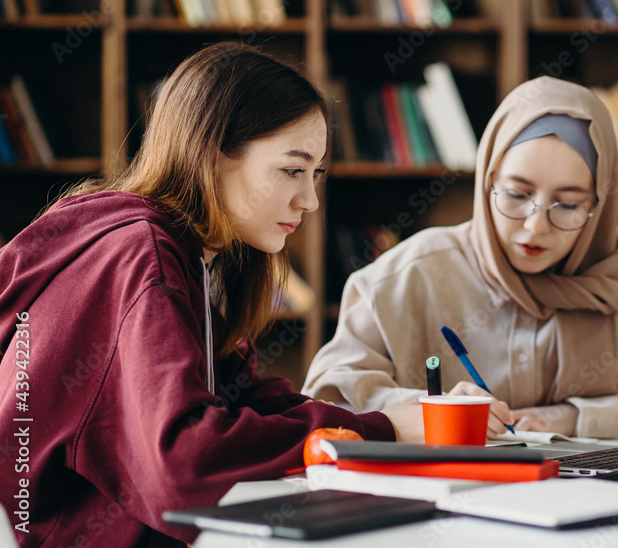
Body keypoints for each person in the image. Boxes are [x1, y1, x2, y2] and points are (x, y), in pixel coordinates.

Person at [0, 42, 422, 547]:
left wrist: (386, 425)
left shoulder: (182, 253)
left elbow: (242, 398)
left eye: (317, 174)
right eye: (292, 169)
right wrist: (383, 434)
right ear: (214, 156)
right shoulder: (142, 255)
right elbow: (184, 464)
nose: (310, 200)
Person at [302, 75, 618, 440]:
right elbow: (327, 399)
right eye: (517, 195)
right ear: (487, 183)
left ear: (600, 204)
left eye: (569, 205)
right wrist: (435, 411)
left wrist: (575, 418)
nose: (536, 226)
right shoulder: (404, 277)